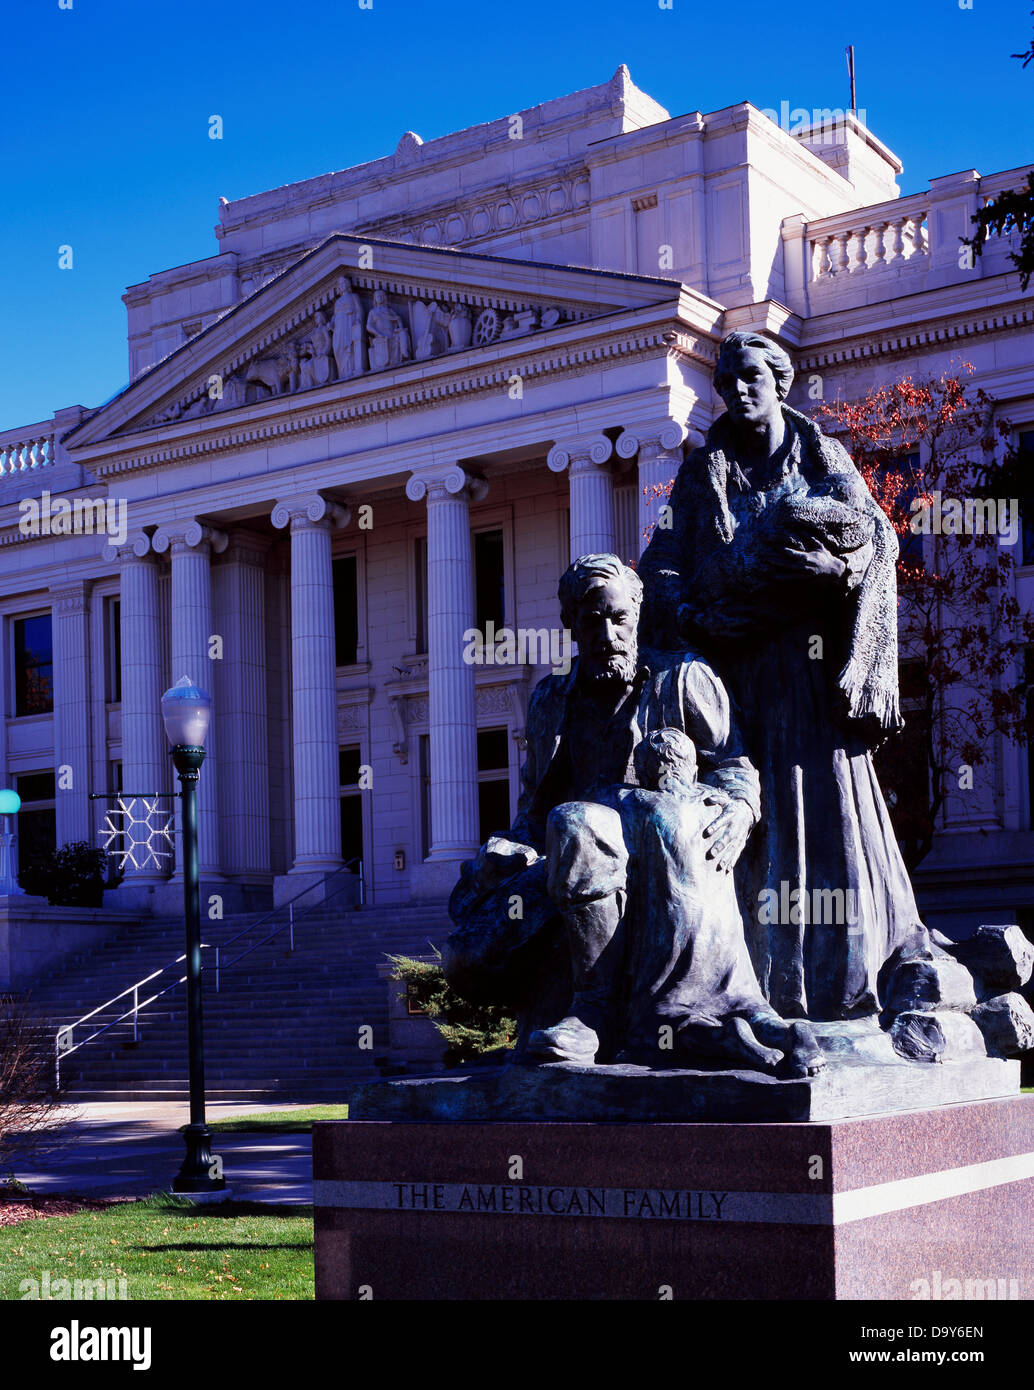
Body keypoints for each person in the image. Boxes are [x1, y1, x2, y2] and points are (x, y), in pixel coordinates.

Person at [638, 330, 930, 1021]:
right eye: (729, 380)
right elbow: (660, 564)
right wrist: (690, 611)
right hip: (737, 679)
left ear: (780, 383)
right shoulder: (700, 474)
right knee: (750, 824)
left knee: (828, 816)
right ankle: (751, 990)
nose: (739, 390)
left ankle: (848, 984)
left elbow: (876, 541)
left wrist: (842, 572)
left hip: (814, 677)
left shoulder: (823, 458)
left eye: (751, 378)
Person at [444, 553, 820, 1074]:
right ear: (571, 624)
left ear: (637, 617)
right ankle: (587, 1009)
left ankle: (598, 1013)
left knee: (586, 823)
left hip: (664, 848)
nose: (608, 633)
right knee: (485, 931)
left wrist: (740, 808)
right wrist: (508, 849)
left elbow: (735, 763)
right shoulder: (552, 701)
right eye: (592, 619)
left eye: (618, 618)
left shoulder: (684, 679)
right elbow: (533, 813)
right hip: (576, 862)